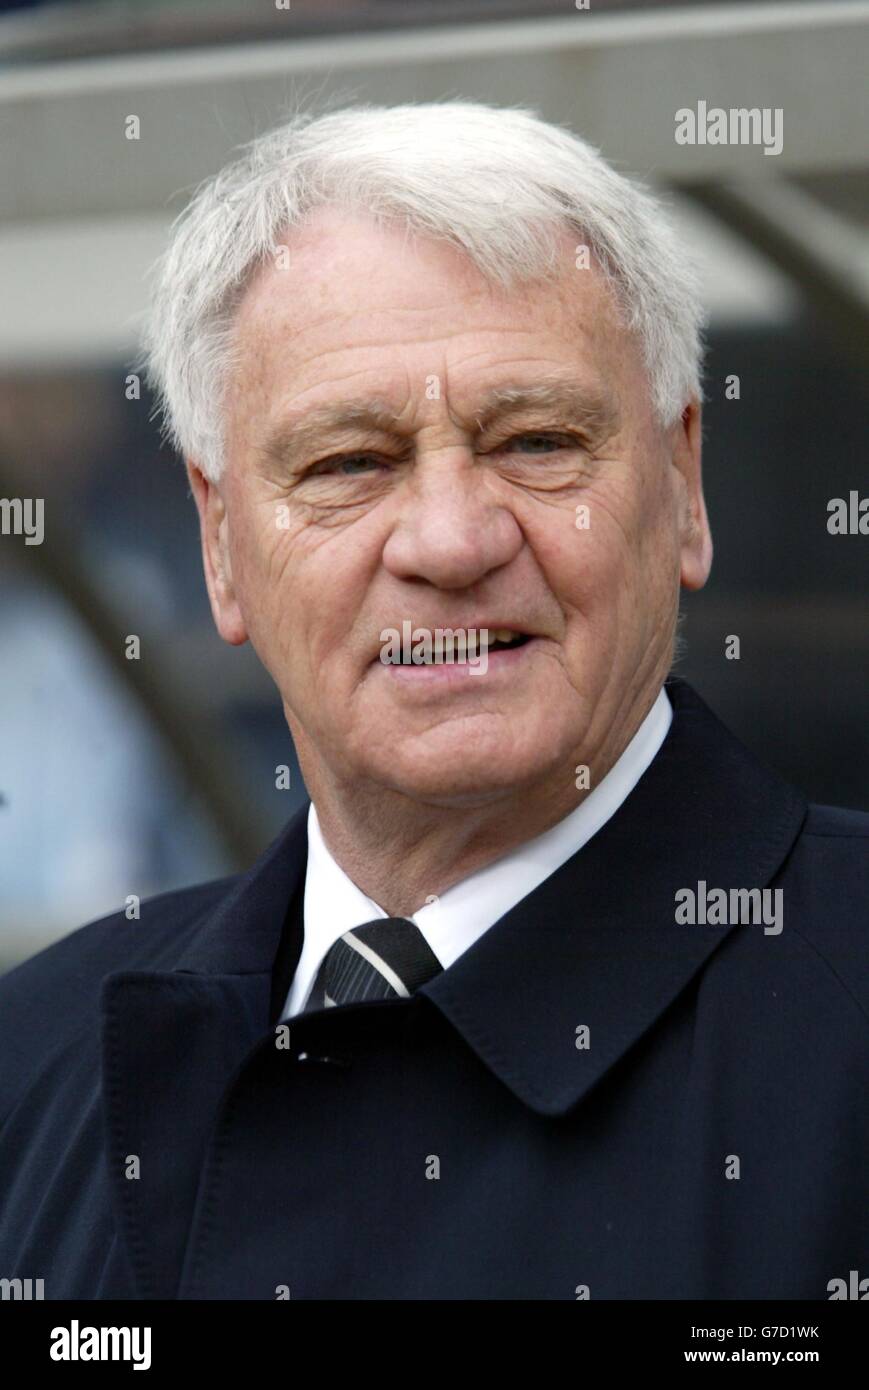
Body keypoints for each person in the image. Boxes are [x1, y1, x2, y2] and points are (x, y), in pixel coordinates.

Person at [0, 102, 866, 1301]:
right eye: (348, 463)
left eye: (535, 440)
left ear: (682, 486)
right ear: (219, 546)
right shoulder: (33, 1059)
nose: (451, 541)